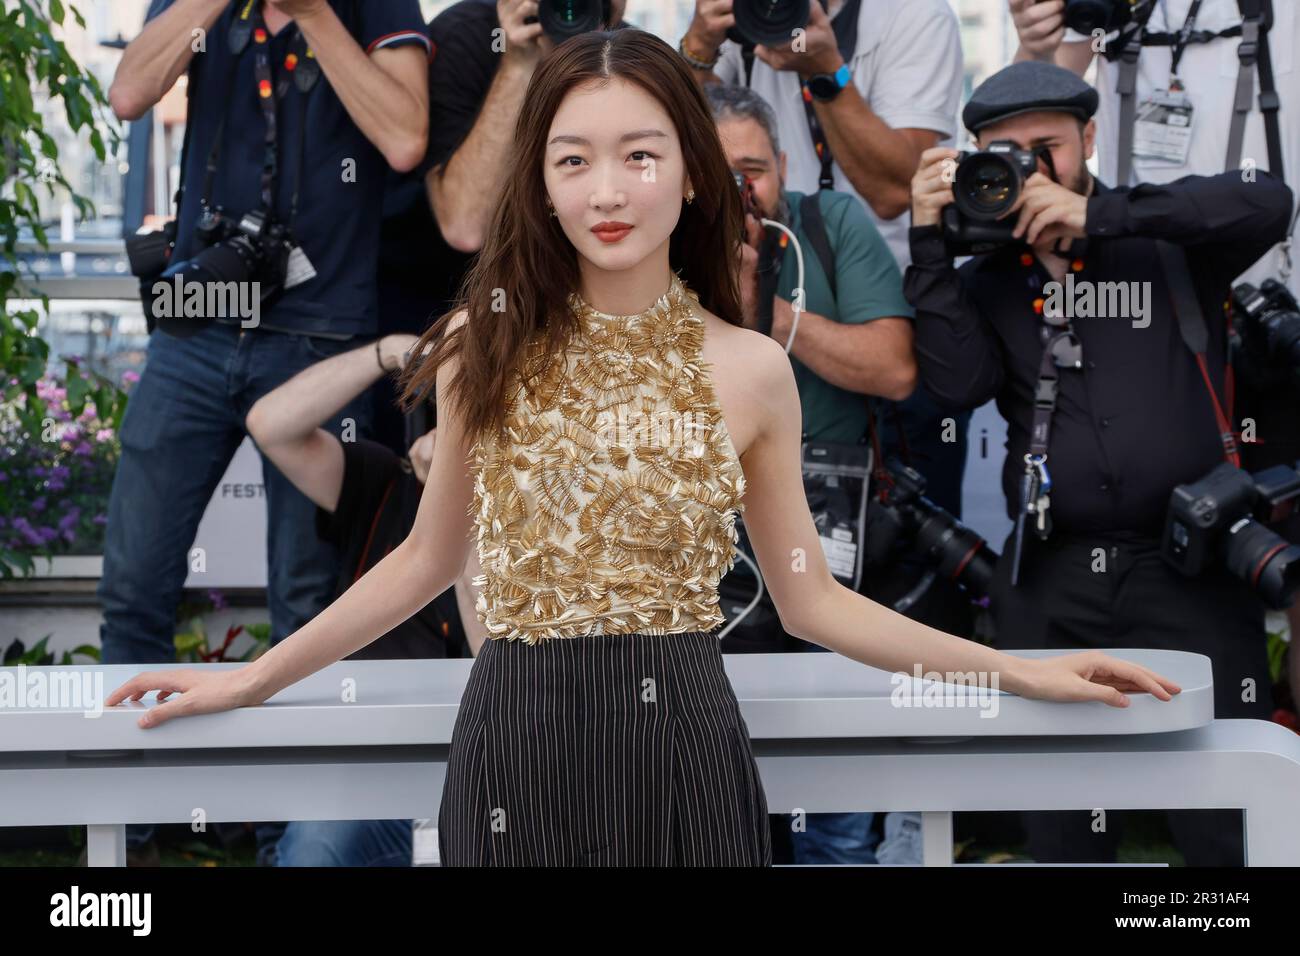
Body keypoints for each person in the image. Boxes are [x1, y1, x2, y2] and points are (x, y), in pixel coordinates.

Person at [106, 29, 1181, 869]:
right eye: (573, 160)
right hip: (513, 749)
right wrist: (246, 685)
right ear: (542, 179)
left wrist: (1015, 669)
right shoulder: (485, 349)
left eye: (638, 156)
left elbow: (811, 602)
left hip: (686, 752)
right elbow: (424, 563)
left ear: (693, 176)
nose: (606, 191)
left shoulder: (751, 369)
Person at [905, 60, 1293, 864]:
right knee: (1059, 816)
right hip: (1051, 577)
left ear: (1089, 138)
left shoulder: (1164, 242)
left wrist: (1098, 213)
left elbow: (1269, 201)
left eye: (1046, 149)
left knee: (1221, 815)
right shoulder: (986, 279)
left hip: (1189, 565)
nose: (1029, 172)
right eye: (1004, 156)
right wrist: (926, 246)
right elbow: (955, 387)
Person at [101, 0, 430, 865]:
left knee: (306, 600)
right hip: (196, 319)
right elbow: (130, 93)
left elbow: (403, 140)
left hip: (320, 333)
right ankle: (133, 830)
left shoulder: (375, 7)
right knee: (134, 584)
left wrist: (317, 14)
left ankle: (300, 838)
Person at [703, 80, 918, 863]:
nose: (738, 191)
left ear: (785, 166)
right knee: (716, 781)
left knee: (837, 768)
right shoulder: (649, 245)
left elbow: (894, 369)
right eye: (717, 171)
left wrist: (768, 311)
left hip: (832, 519)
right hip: (699, 532)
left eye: (752, 171)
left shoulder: (829, 223)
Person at [242, 332, 480, 865]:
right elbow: (270, 425)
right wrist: (385, 352)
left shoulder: (546, 498)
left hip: (482, 757)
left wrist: (473, 495)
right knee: (315, 849)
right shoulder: (385, 482)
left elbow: (493, 651)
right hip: (369, 757)